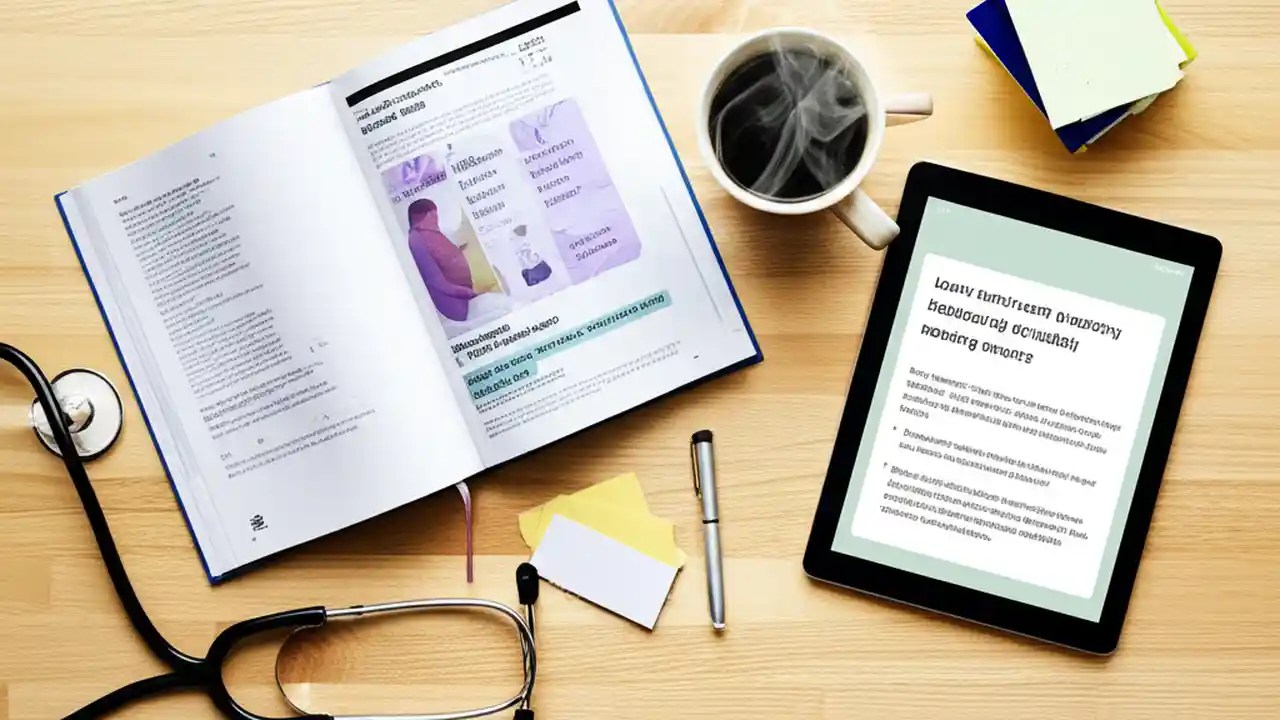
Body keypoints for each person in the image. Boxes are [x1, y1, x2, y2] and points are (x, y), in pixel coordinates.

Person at [406, 199, 476, 321]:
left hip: (464, 301)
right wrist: (468, 293)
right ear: (427, 216)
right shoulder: (417, 240)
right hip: (454, 308)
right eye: (434, 216)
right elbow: (436, 282)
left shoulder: (431, 235)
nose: (436, 221)